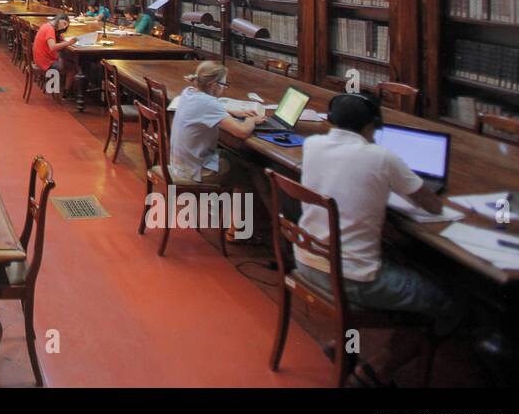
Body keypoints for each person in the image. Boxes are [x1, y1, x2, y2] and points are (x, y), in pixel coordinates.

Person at [293, 93, 464, 338]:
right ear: (374, 123)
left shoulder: (312, 145)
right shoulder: (382, 157)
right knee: (449, 299)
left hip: (306, 260)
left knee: (401, 254)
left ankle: (351, 349)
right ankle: (378, 367)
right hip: (350, 279)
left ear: (331, 118)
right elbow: (434, 207)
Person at [168, 61, 264, 187]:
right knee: (250, 169)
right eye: (224, 84)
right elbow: (242, 132)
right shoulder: (209, 104)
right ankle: (244, 206)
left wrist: (232, 111)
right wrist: (251, 120)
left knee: (236, 156)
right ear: (214, 85)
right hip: (196, 170)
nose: (224, 87)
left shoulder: (188, 91)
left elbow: (204, 108)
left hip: (181, 163)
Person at [32, 13, 77, 90]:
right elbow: (52, 47)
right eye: (64, 23)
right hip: (46, 62)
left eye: (66, 25)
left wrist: (60, 37)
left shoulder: (46, 25)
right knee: (72, 67)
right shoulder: (50, 29)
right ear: (58, 20)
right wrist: (68, 43)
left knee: (66, 57)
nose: (64, 26)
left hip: (39, 59)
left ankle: (57, 86)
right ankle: (66, 93)